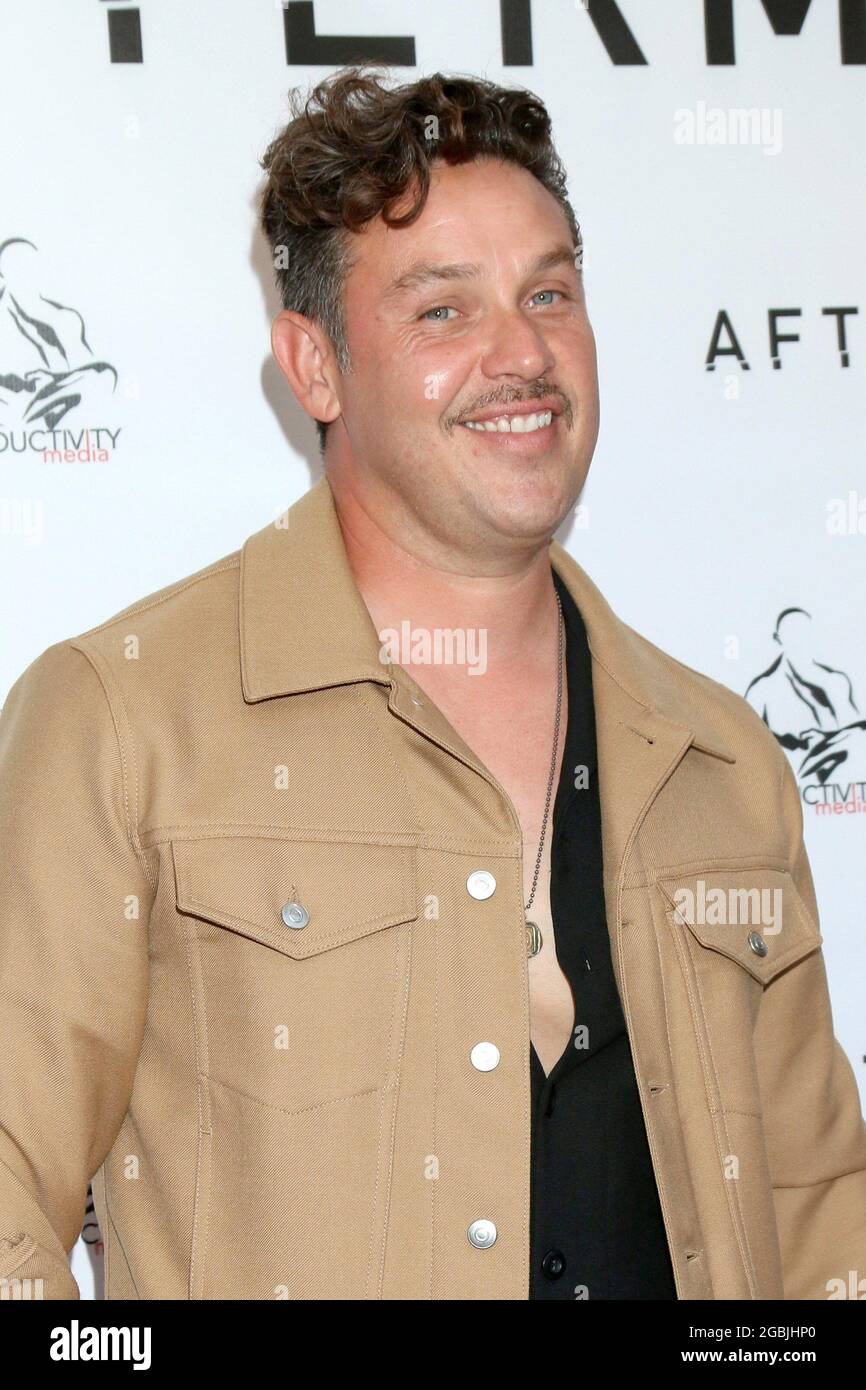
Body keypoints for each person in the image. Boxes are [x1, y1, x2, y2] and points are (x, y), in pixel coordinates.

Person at [1, 65, 864, 1302]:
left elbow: (821, 1214)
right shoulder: (121, 722)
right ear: (314, 366)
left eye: (549, 293)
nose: (523, 352)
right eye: (443, 311)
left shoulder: (723, 763)